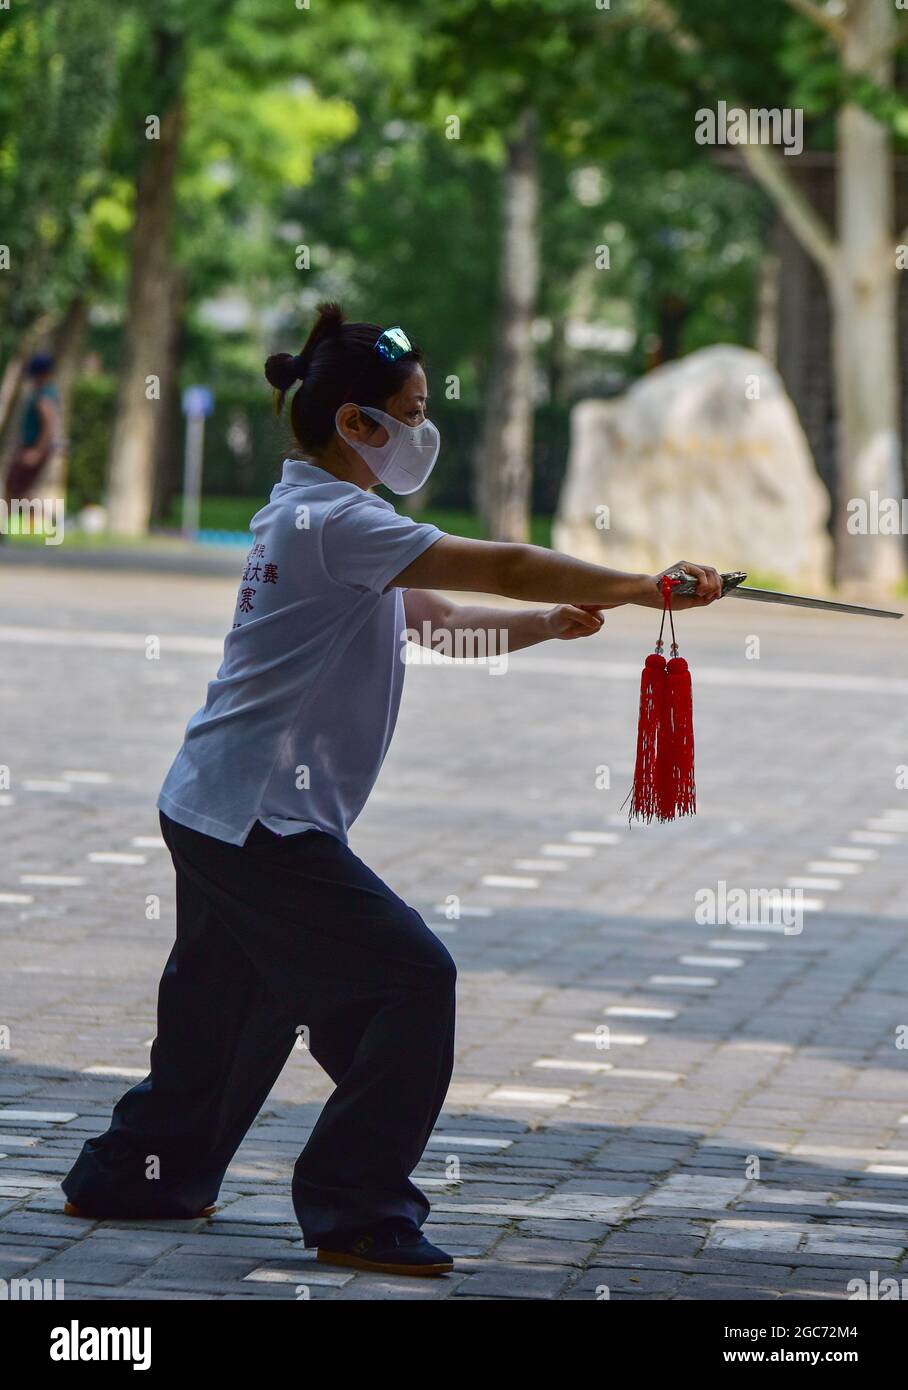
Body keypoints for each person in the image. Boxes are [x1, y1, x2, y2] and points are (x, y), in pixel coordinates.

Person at [61, 304, 722, 1277]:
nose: (424, 425)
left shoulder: (320, 517)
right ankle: (357, 1207)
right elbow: (499, 558)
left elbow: (439, 622)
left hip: (216, 803)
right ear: (354, 424)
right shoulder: (334, 519)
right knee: (410, 980)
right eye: (409, 411)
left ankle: (137, 1177)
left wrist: (545, 625)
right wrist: (637, 584)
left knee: (234, 1004)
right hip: (257, 819)